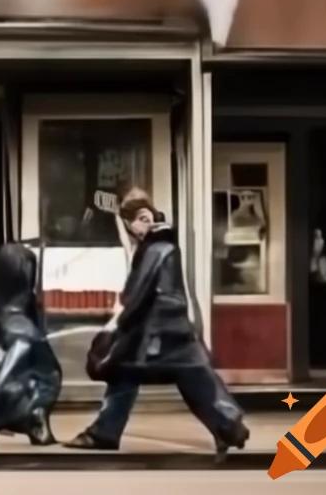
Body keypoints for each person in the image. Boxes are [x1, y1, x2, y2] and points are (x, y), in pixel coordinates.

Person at [66, 189, 249, 458]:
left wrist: (118, 326)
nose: (136, 231)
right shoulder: (163, 245)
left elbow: (138, 294)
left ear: (143, 217)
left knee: (129, 374)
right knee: (189, 379)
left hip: (157, 334)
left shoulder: (156, 249)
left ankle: (104, 433)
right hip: (170, 331)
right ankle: (228, 426)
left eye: (135, 224)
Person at [0, 243, 62, 446]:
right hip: (26, 347)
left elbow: (2, 377)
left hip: (22, 341)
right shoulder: (20, 323)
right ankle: (30, 419)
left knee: (11, 374)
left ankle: (21, 419)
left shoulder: (13, 320)